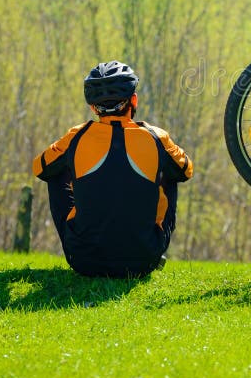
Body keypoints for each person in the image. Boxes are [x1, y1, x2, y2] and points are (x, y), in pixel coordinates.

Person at [32, 61, 193, 277]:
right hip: (143, 262)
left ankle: (86, 237)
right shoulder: (156, 137)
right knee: (171, 173)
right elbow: (187, 171)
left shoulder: (76, 137)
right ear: (133, 100)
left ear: (92, 107)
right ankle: (146, 242)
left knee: (55, 170)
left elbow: (39, 169)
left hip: (83, 260)